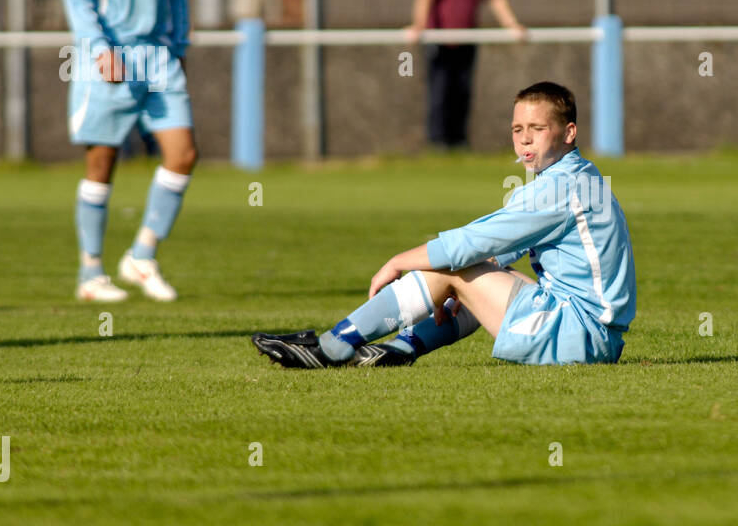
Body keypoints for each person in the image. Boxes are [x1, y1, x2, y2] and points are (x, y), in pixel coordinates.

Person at [252, 81, 636, 368]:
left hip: (578, 337)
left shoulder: (561, 187)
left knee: (455, 269)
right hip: (594, 337)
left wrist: (401, 261)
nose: (524, 140)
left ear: (569, 132)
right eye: (518, 130)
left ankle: (332, 348)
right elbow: (502, 249)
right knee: (477, 273)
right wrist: (470, 281)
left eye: (537, 128)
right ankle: (397, 351)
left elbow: (472, 243)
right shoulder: (580, 177)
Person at [58, 0, 196, 302]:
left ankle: (141, 255)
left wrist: (179, 45)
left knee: (182, 154)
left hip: (157, 56)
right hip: (110, 57)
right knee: (102, 161)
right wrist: (99, 49)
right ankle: (90, 273)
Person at [405, 0, 525, 150]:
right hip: (440, 42)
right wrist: (419, 25)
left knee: (462, 91)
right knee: (440, 91)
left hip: (466, 41)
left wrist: (512, 25)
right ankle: (438, 142)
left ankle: (459, 141)